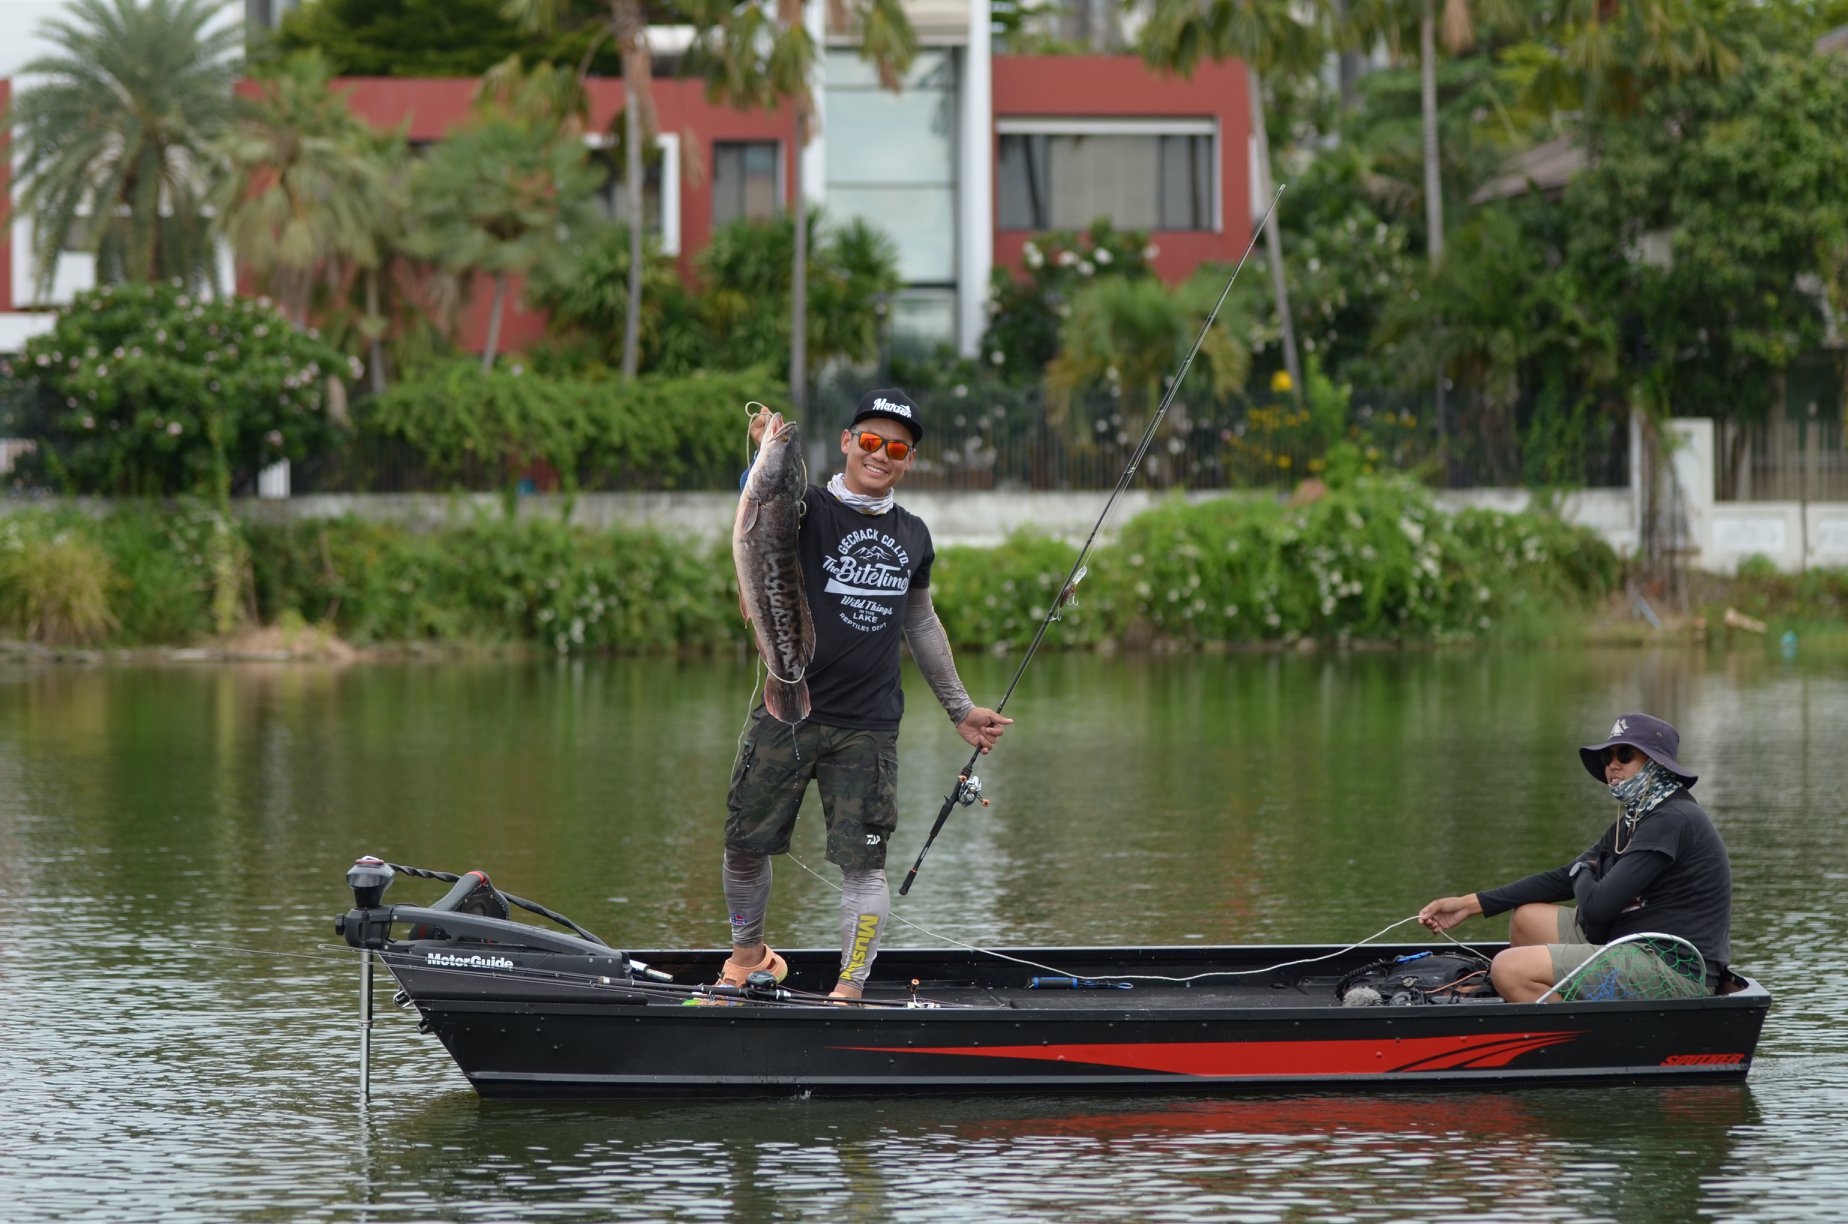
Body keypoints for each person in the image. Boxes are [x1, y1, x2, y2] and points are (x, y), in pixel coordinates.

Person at [720, 389, 1012, 1000]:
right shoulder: (808, 507)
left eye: (897, 448)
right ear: (848, 442)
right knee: (744, 844)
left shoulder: (914, 535)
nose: (881, 455)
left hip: (869, 726)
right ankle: (748, 957)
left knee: (864, 866)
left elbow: (921, 623)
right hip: (785, 704)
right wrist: (765, 452)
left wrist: (961, 709)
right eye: (872, 441)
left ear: (909, 461)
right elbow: (761, 498)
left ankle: (849, 987)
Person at [1419, 713, 1731, 1002]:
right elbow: (1564, 877)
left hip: (1672, 970)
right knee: (1526, 919)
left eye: (1625, 755)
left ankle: (1575, 1033)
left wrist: (1582, 870)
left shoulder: (1672, 819)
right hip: (1625, 940)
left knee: (1508, 969)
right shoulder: (1635, 819)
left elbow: (1596, 907)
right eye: (1608, 757)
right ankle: (1551, 1000)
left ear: (1657, 765)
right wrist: (1469, 904)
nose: (1612, 765)